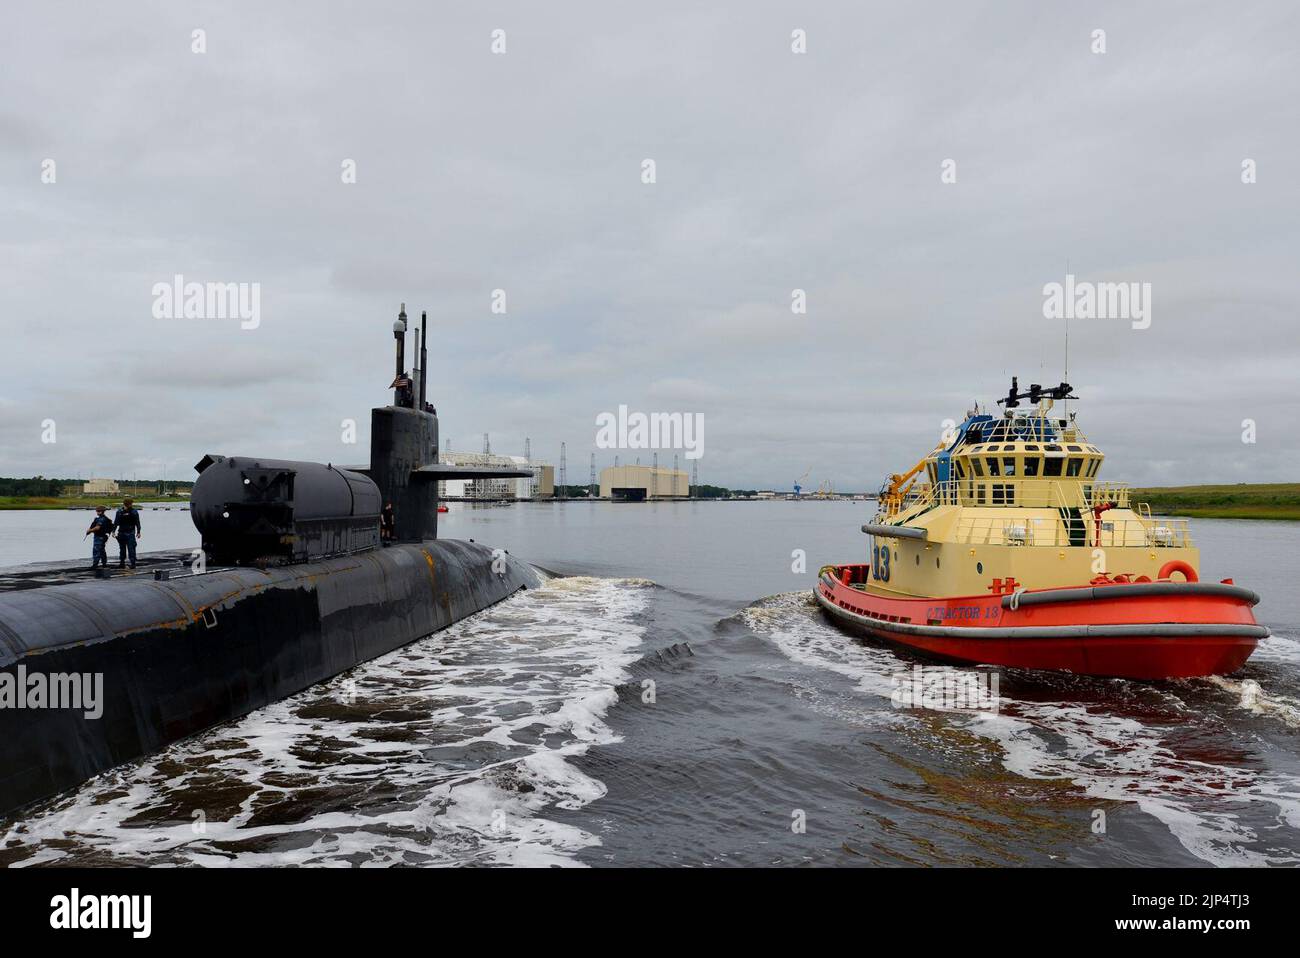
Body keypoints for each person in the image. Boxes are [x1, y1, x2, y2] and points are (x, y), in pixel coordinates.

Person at [113, 497, 142, 569]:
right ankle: (124, 563)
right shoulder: (131, 512)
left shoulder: (121, 512)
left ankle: (130, 563)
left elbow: (116, 522)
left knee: (130, 548)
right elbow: (137, 523)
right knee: (125, 548)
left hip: (126, 532)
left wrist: (138, 532)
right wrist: (113, 531)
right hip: (126, 532)